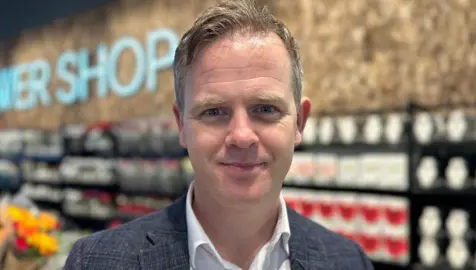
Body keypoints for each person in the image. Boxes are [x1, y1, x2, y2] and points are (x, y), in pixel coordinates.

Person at [63, 0, 374, 269]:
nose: (241, 136)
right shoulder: (95, 262)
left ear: (300, 123)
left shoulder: (348, 262)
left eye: (265, 109)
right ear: (181, 125)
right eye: (214, 112)